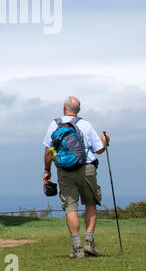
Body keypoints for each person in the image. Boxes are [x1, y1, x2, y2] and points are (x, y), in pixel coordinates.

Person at [42, 96, 109, 257]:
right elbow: (99, 149)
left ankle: (77, 249)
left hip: (64, 170)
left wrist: (47, 170)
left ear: (64, 107)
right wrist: (105, 141)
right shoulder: (86, 124)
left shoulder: (55, 124)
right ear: (78, 110)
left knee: (70, 208)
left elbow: (48, 152)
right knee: (91, 203)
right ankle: (89, 243)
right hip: (87, 168)